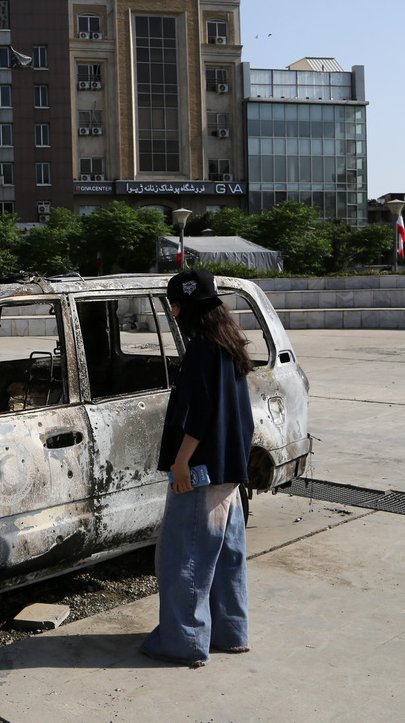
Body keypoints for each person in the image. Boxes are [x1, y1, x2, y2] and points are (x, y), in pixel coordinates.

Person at [141, 268, 254, 668]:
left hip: (202, 470)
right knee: (225, 556)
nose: (172, 310)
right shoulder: (229, 343)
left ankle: (182, 642)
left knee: (184, 558)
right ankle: (230, 632)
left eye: (174, 303)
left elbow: (198, 414)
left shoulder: (202, 349)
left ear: (187, 306)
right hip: (229, 469)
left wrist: (182, 461)